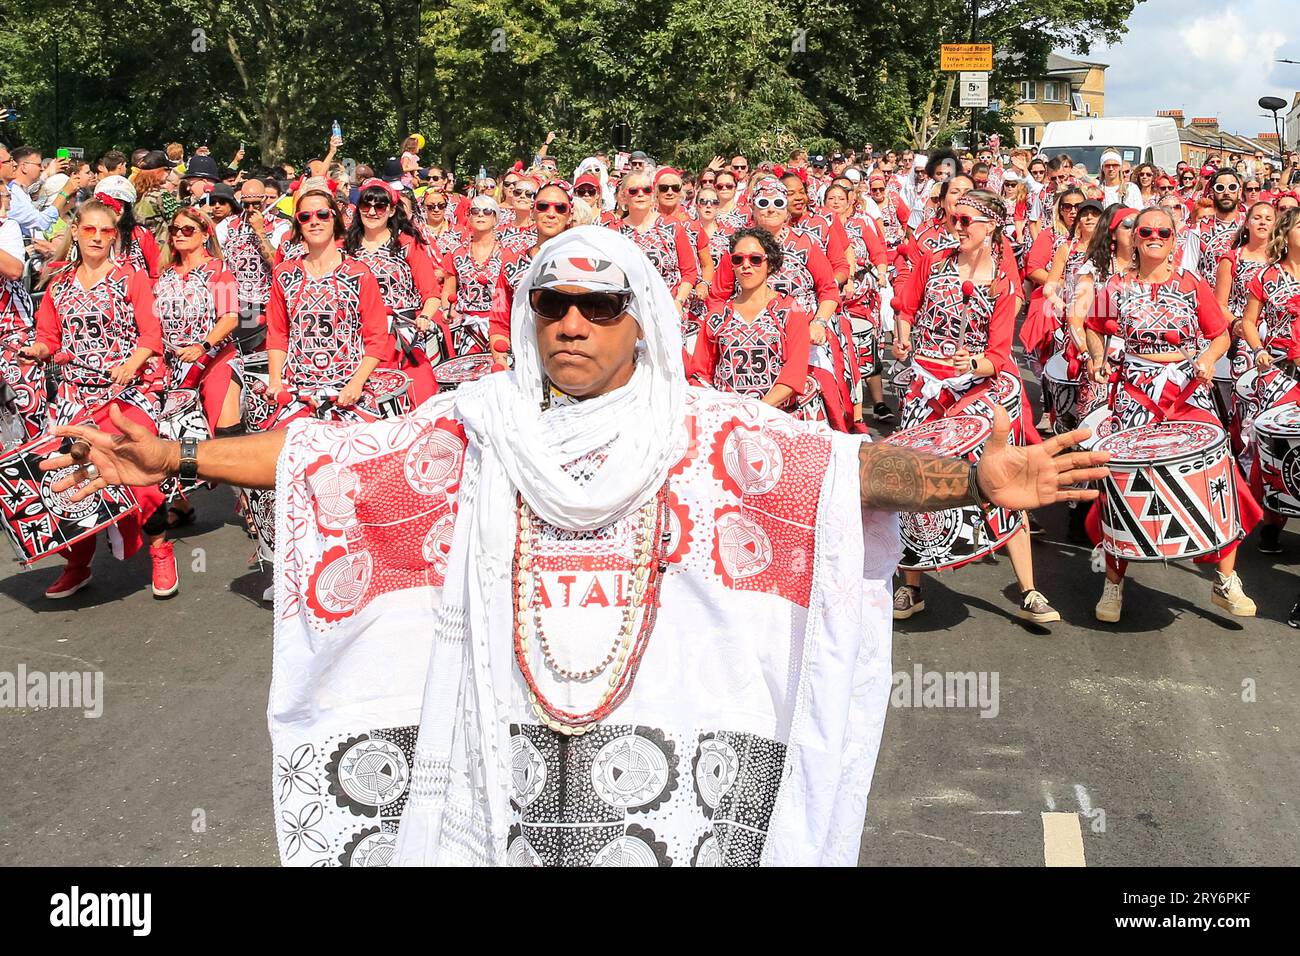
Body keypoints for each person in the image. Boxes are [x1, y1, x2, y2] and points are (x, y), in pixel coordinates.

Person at [45, 224, 1108, 867]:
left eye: (598, 305)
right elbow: (331, 455)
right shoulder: (477, 421)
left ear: (637, 317)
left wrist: (976, 477)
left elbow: (839, 469)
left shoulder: (700, 428)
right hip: (502, 734)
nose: (571, 324)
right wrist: (174, 453)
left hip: (663, 747)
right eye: (552, 302)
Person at [1084, 206, 1261, 622]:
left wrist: (1206, 358)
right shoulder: (1116, 285)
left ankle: (1225, 580)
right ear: (1134, 238)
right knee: (1119, 479)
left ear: (1174, 238)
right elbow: (1094, 325)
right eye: (1146, 230)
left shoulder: (1192, 284)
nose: (1154, 237)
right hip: (1135, 390)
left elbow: (1220, 333)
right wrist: (1097, 357)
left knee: (1216, 469)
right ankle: (1113, 583)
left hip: (1184, 387)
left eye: (1163, 231)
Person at [891, 190, 1056, 624]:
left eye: (966, 220)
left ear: (990, 226)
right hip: (927, 385)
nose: (957, 227)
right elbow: (905, 308)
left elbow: (1001, 352)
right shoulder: (932, 261)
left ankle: (1029, 590)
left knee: (1001, 480)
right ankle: (910, 586)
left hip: (977, 389)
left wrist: (974, 363)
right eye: (953, 219)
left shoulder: (1004, 281)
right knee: (914, 480)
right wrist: (903, 334)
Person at [20, 197, 177, 599]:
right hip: (76, 396)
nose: (96, 237)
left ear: (114, 236)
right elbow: (49, 338)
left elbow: (151, 335)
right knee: (66, 479)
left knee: (139, 472)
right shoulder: (59, 284)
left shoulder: (131, 278)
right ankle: (77, 564)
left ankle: (161, 553)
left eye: (105, 231)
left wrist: (132, 363)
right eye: (88, 229)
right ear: (75, 232)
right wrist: (37, 350)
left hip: (127, 393)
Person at [151, 206, 244, 527]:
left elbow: (230, 317)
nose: (178, 234)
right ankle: (181, 502)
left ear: (205, 234)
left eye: (188, 229)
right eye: (175, 229)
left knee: (224, 431)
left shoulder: (219, 270)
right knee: (170, 432)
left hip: (215, 356)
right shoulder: (164, 273)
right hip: (173, 362)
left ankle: (248, 495)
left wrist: (202, 346)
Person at [264, 180, 391, 411]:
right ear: (298, 224)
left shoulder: (359, 273)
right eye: (305, 217)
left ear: (335, 219)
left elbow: (377, 338)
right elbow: (277, 334)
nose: (314, 222)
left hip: (349, 389)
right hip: (297, 389)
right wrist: (274, 381)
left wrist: (356, 383)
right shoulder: (284, 274)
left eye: (322, 214)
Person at [691, 226, 813, 414]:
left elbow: (794, 372)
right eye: (738, 259)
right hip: (727, 419)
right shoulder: (716, 316)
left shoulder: (790, 310)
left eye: (755, 259)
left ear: (770, 264)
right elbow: (700, 374)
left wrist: (756, 411)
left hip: (778, 417)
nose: (745, 265)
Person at [488, 180, 574, 365]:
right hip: (522, 364)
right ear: (533, 211)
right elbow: (498, 320)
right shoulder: (512, 265)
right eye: (543, 206)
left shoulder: (581, 263)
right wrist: (501, 362)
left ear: (569, 215)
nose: (551, 213)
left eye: (560, 208)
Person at [440, 194, 504, 354]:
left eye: (487, 211)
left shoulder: (507, 252)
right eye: (475, 211)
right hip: (467, 327)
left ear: (496, 219)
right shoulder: (456, 252)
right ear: (468, 217)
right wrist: (449, 310)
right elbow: (448, 291)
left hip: (500, 324)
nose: (480, 215)